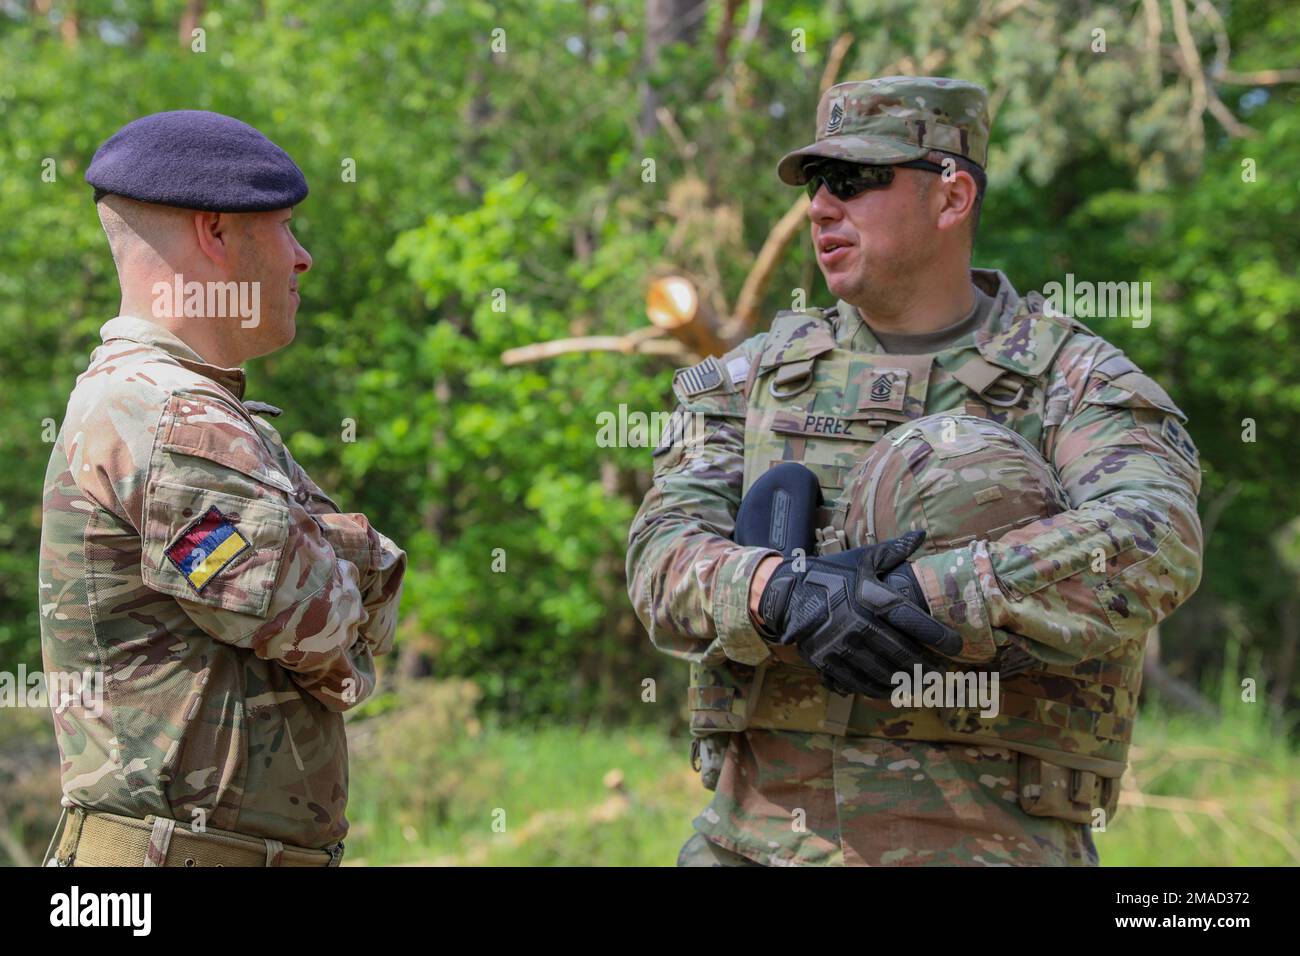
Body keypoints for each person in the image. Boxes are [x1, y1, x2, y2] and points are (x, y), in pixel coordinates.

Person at [626, 77, 1204, 866]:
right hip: (757, 845)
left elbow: (1156, 539)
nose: (823, 207)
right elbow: (659, 557)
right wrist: (781, 593)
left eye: (856, 181)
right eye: (817, 184)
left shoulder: (1074, 380)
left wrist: (924, 599)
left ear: (951, 196)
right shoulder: (749, 383)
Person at [40, 110, 406, 867]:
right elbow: (325, 622)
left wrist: (313, 545)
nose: (301, 259)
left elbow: (317, 610)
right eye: (285, 228)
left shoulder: (191, 410)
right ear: (215, 233)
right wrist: (353, 550)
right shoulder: (163, 414)